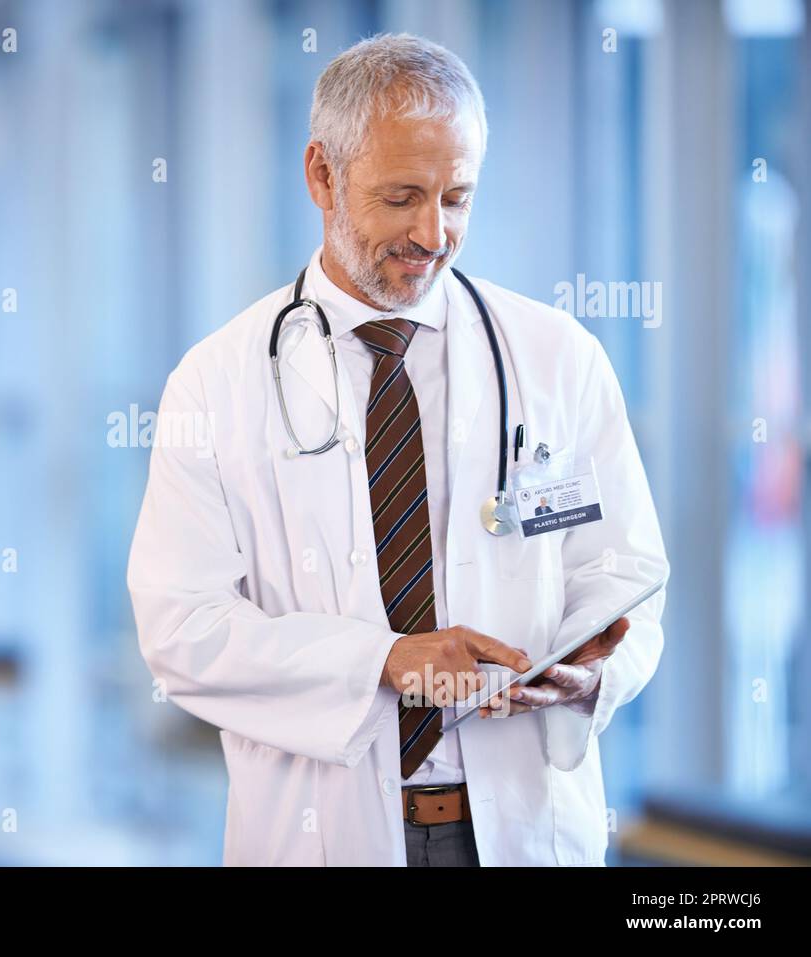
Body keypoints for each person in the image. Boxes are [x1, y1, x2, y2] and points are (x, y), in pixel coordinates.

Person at [126, 33, 668, 866]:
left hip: (522, 825)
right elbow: (182, 628)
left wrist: (591, 671)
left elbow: (629, 575)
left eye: (458, 197)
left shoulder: (558, 357)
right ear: (321, 175)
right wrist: (385, 662)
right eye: (402, 197)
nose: (433, 233)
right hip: (324, 830)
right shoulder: (216, 381)